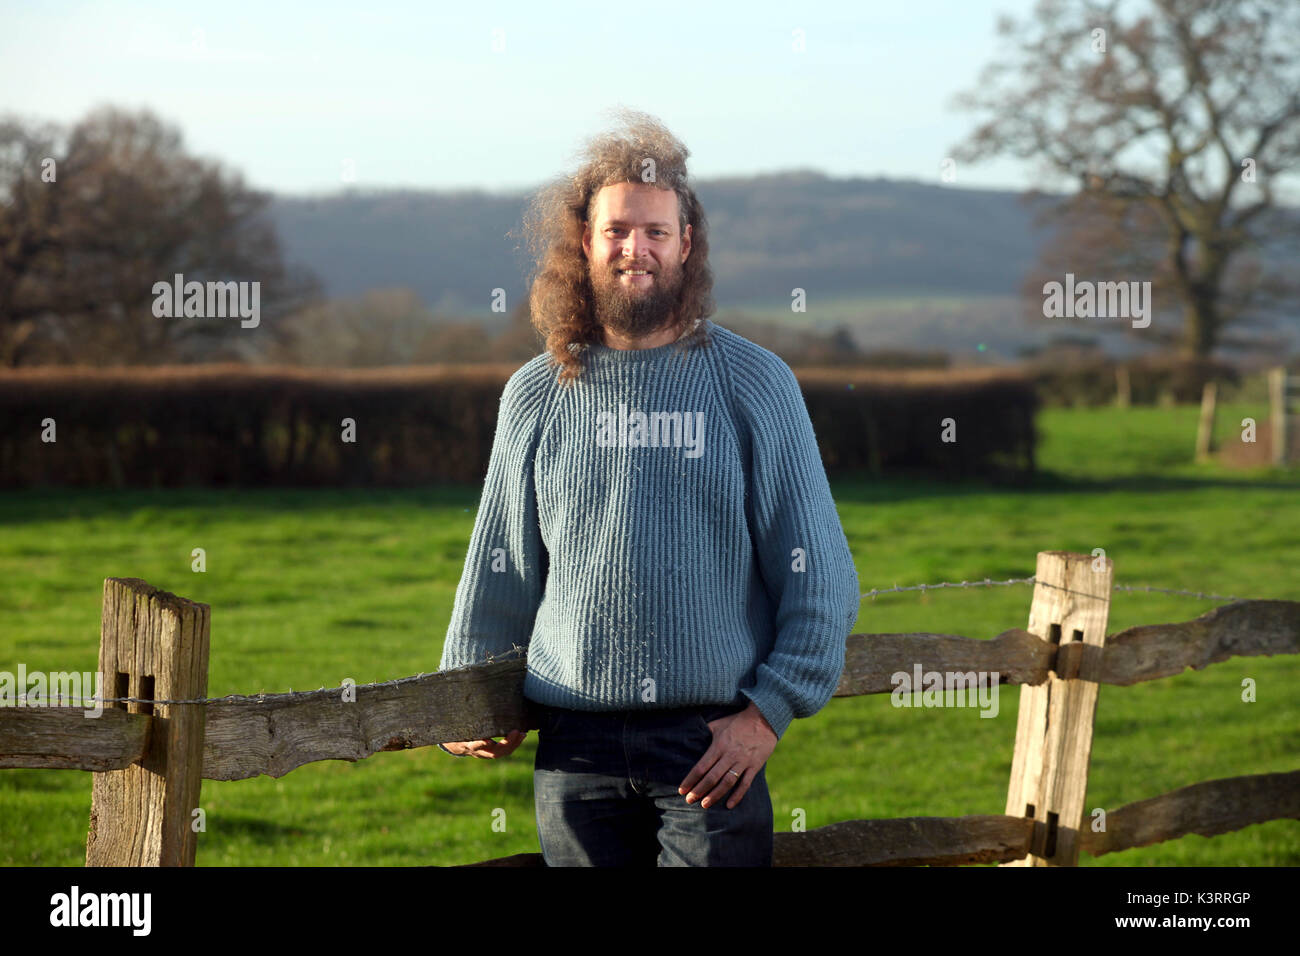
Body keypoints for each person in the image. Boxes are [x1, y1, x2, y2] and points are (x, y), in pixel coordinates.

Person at [436, 110, 859, 866]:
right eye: (618, 231)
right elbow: (500, 564)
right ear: (585, 245)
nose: (637, 249)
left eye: (656, 232)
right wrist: (470, 690)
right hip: (574, 749)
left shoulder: (754, 384)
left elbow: (819, 575)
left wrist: (766, 715)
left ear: (686, 243)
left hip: (707, 747)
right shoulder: (535, 394)